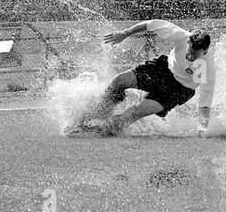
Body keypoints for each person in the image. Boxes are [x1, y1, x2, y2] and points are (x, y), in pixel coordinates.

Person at [72, 19, 215, 136]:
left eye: (195, 54)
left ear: (205, 51)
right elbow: (151, 24)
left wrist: (202, 131)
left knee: (135, 112)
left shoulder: (206, 67)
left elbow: (204, 103)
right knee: (118, 81)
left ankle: (101, 132)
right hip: (163, 68)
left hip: (178, 90)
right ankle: (94, 115)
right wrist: (125, 33)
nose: (190, 56)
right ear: (188, 41)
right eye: (190, 50)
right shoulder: (181, 36)